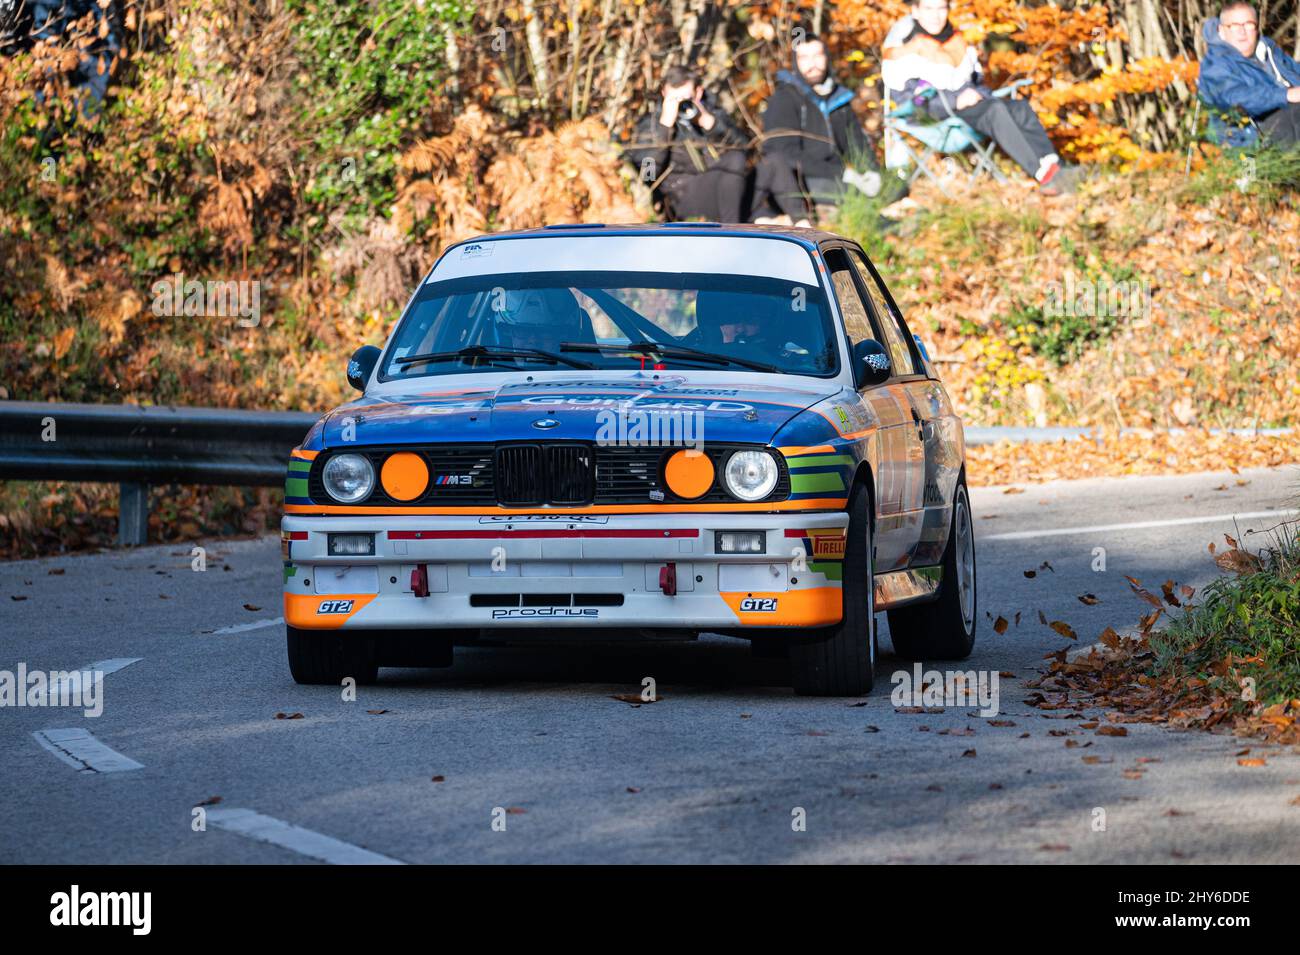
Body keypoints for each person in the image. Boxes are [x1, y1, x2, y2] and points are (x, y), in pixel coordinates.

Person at [882, 0, 1079, 194]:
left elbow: (977, 83)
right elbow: (911, 98)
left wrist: (975, 94)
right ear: (915, 11)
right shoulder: (906, 45)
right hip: (931, 115)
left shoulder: (956, 40)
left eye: (941, 8)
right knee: (995, 111)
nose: (935, 15)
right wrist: (955, 100)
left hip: (967, 108)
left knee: (1019, 107)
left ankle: (1055, 166)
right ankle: (1044, 175)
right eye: (928, 8)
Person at [760, 34, 883, 221]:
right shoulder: (784, 99)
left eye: (818, 55)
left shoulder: (838, 97)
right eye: (804, 58)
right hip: (803, 181)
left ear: (827, 57)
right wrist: (844, 174)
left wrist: (871, 171)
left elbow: (856, 143)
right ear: (795, 62)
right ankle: (884, 226)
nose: (813, 64)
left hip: (837, 175)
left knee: (894, 185)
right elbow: (783, 154)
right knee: (853, 196)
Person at [626, 66, 750, 222]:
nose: (681, 106)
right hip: (683, 200)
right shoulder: (650, 125)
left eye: (685, 99)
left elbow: (747, 151)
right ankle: (732, 234)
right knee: (734, 160)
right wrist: (665, 129)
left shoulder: (712, 112)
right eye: (674, 99)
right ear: (664, 94)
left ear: (698, 92)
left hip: (727, 190)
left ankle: (779, 224)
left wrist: (711, 125)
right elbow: (647, 175)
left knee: (772, 163)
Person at [1199, 1, 1300, 148]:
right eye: (1234, 26)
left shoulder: (1268, 52)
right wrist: (1286, 95)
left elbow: (1294, 72)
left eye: (1248, 24)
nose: (1242, 31)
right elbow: (1236, 100)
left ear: (1256, 28)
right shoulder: (1215, 65)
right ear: (1221, 30)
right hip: (1248, 149)